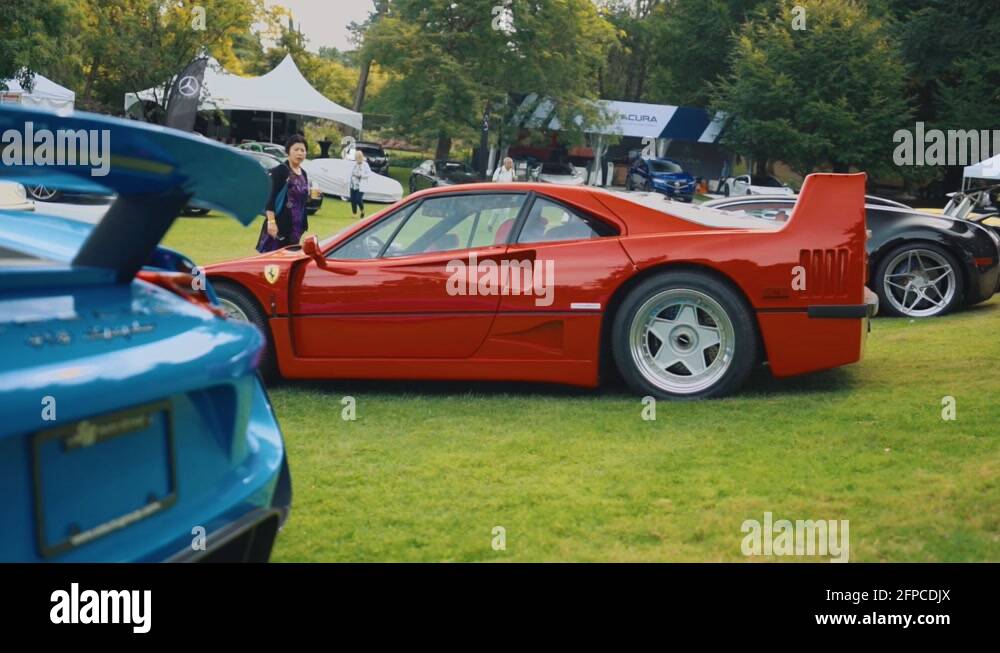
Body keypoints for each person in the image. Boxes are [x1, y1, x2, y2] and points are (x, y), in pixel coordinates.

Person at [256, 135, 310, 252]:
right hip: (279, 226)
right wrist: (271, 222)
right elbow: (270, 197)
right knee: (274, 263)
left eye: (303, 150)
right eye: (296, 149)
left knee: (290, 261)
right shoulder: (281, 170)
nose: (299, 153)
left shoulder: (304, 174)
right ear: (288, 151)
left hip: (296, 227)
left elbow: (301, 200)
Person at [349, 149, 372, 218]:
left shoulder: (365, 165)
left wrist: (361, 176)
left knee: (358, 199)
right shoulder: (355, 164)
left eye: (357, 157)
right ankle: (354, 213)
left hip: (361, 185)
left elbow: (369, 174)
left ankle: (362, 210)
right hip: (353, 184)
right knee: (352, 199)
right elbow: (351, 173)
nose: (356, 159)